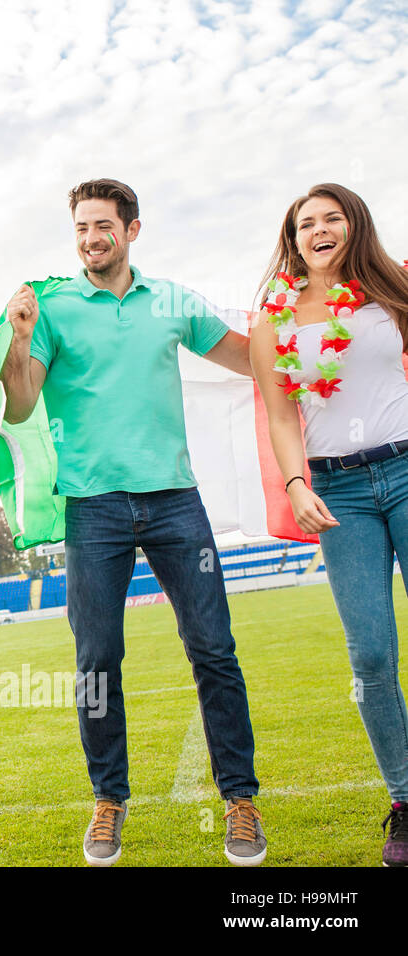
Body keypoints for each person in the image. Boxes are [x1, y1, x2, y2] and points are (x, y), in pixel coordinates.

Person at [0, 178, 266, 866]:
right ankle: (108, 800)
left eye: (103, 226)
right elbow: (22, 404)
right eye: (81, 227)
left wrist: (306, 334)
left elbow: (247, 358)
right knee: (95, 661)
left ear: (133, 230)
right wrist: (18, 343)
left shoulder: (170, 300)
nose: (91, 238)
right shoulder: (53, 309)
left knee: (214, 651)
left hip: (177, 500)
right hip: (95, 510)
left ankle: (240, 799)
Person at [249, 183, 408, 867]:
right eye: (304, 222)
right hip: (338, 488)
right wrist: (295, 482)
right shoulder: (272, 320)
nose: (318, 229)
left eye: (330, 217)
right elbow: (282, 415)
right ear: (292, 238)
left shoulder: (394, 288)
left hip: (407, 468)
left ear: (352, 224)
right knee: (371, 655)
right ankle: (405, 802)